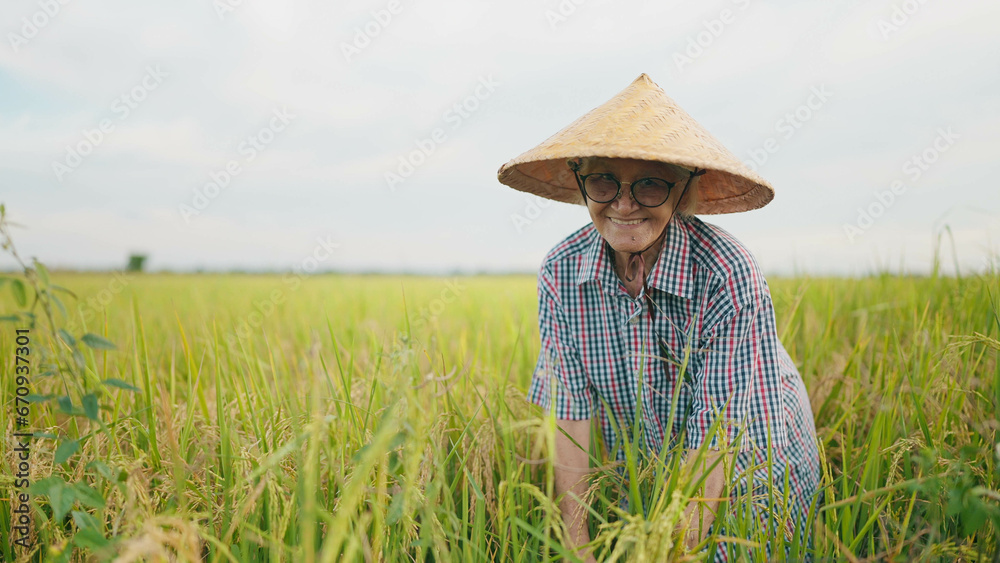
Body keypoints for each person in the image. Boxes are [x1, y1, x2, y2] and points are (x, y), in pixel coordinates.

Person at [497, 73, 821, 562]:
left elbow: (723, 433)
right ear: (582, 180)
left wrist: (672, 550)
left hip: (748, 461)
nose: (623, 205)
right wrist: (577, 542)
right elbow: (571, 416)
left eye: (649, 185)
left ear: (683, 190)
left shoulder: (727, 274)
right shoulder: (562, 273)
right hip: (647, 467)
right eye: (604, 181)